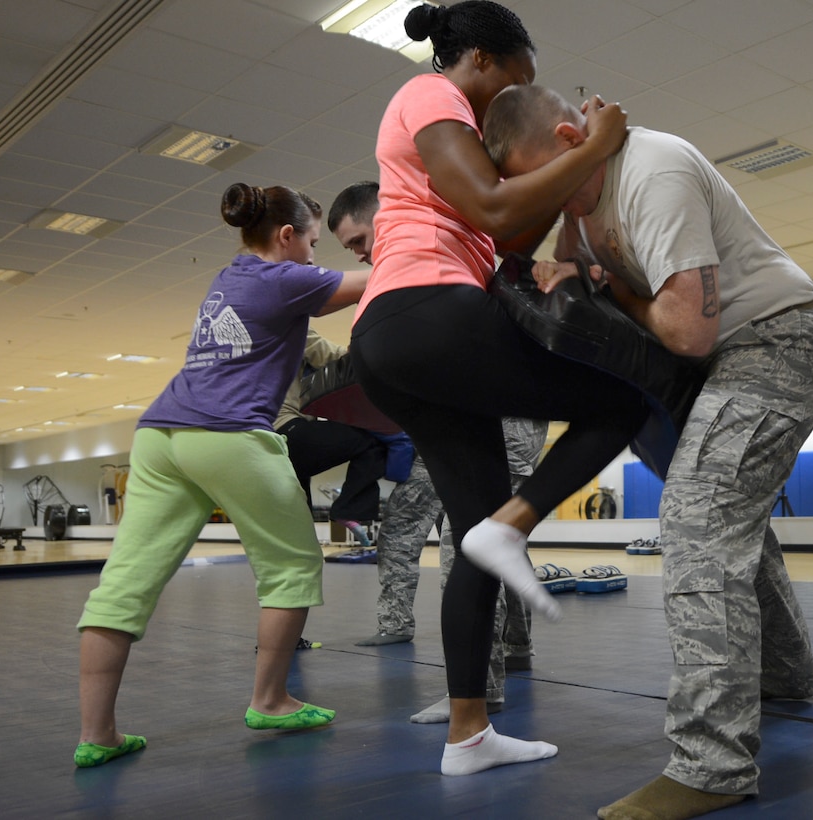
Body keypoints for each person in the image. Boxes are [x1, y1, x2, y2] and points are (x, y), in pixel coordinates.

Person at [483, 84, 813, 820]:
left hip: (775, 344)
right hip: (704, 372)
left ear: (566, 137)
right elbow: (564, 272)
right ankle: (785, 672)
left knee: (695, 517)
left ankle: (711, 765)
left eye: (538, 175)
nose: (542, 197)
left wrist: (609, 285)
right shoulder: (579, 208)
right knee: (728, 519)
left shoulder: (652, 170)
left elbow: (687, 332)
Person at [347, 1, 650, 777]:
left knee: (472, 534)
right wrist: (600, 147)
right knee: (622, 396)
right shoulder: (431, 94)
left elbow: (506, 231)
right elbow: (488, 208)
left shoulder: (469, 141)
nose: (520, 92)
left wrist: (570, 177)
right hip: (422, 312)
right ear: (482, 58)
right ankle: (514, 524)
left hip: (398, 345)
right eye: (519, 75)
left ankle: (467, 736)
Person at [73, 182, 368, 768]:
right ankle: (270, 699)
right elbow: (378, 280)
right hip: (229, 434)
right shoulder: (285, 278)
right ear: (287, 236)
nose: (315, 253)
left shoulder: (228, 278)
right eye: (312, 241)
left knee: (124, 586)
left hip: (159, 436)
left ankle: (96, 736)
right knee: (291, 564)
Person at [327, 181, 545, 719]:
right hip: (467, 410)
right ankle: (512, 648)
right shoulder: (410, 258)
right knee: (495, 536)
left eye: (357, 237)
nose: (356, 251)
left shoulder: (435, 241)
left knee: (471, 539)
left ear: (383, 213)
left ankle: (475, 689)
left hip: (504, 409)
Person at [275, 326, 388, 547]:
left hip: (255, 439)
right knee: (373, 440)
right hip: (286, 429)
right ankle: (350, 509)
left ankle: (299, 551)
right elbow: (334, 358)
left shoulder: (244, 333)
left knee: (299, 523)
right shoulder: (290, 325)